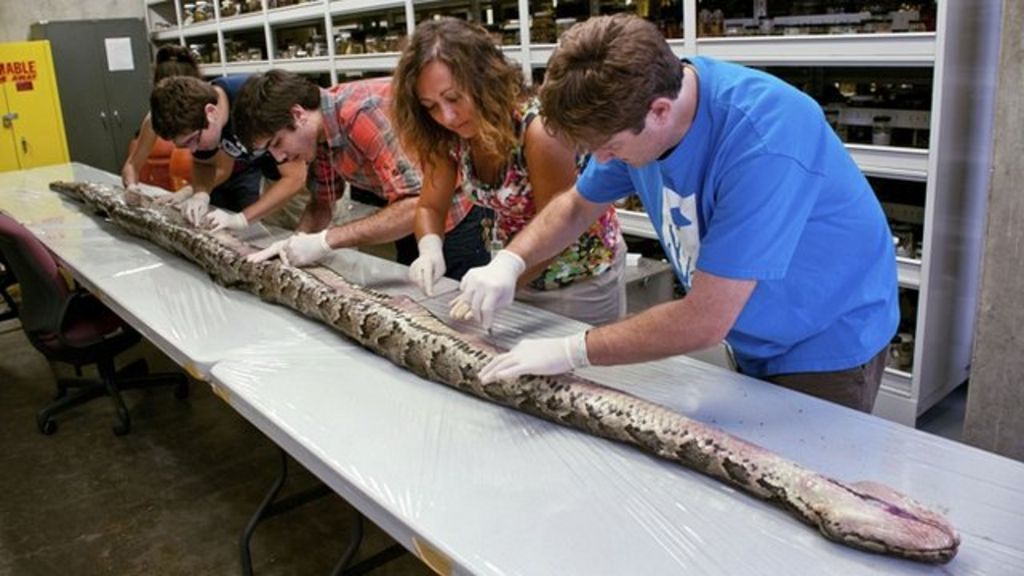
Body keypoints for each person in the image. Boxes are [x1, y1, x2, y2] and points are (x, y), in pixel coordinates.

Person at [463, 14, 898, 413]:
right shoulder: (636, 108)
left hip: (825, 338)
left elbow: (706, 319)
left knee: (795, 479)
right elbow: (578, 205)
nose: (603, 160)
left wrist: (574, 350)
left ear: (660, 112)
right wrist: (510, 261)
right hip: (750, 331)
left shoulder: (766, 140)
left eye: (609, 148)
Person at [391, 17, 627, 324]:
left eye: (453, 98)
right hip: (513, 269)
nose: (446, 116)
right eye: (430, 106)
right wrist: (429, 248)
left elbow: (561, 226)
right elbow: (431, 206)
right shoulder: (449, 135)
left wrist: (506, 275)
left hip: (577, 278)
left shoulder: (538, 131)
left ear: (483, 80)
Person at [235, 69, 489, 279]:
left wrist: (325, 241)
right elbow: (322, 202)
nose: (281, 158)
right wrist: (294, 244)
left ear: (298, 115)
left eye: (277, 143)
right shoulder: (319, 137)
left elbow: (415, 204)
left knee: (459, 310)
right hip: (407, 222)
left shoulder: (362, 114)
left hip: (453, 218)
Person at [149, 75, 309, 230]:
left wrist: (241, 219)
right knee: (273, 236)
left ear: (210, 112)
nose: (193, 149)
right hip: (271, 177)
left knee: (305, 239)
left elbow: (295, 178)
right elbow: (202, 163)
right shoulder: (199, 118)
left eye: (193, 140)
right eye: (184, 145)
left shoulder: (252, 104)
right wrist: (200, 193)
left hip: (310, 177)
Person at [121, 44, 200, 192]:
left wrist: (195, 193)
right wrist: (132, 186)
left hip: (225, 185)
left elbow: (222, 168)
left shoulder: (211, 111)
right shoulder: (155, 118)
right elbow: (132, 165)